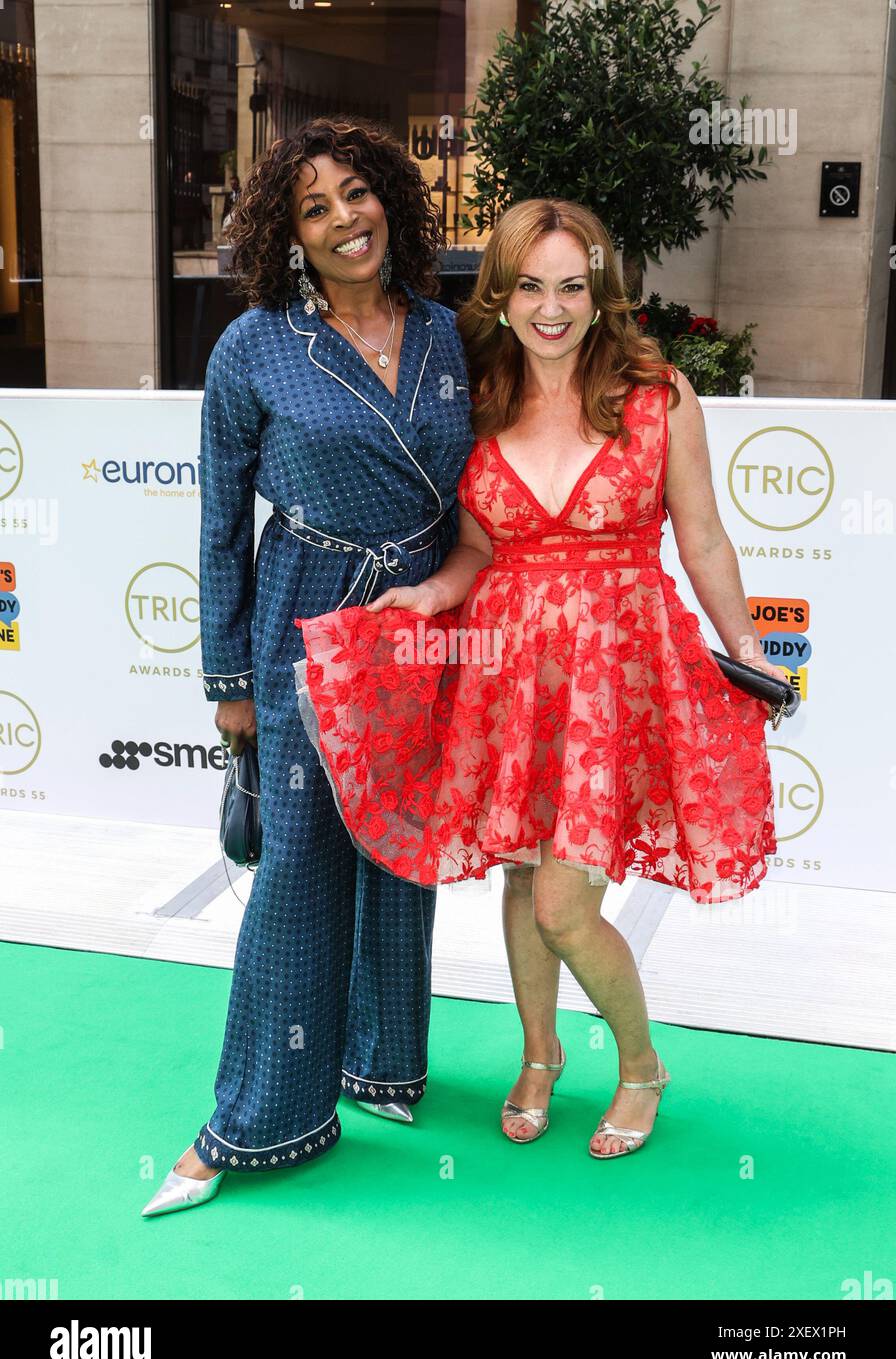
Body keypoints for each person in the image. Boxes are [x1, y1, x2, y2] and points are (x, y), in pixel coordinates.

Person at [294, 197, 783, 1163]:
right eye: (531, 286)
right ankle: (541, 1054)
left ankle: (640, 1065)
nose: (551, 307)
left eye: (572, 286)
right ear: (503, 293)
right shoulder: (477, 400)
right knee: (522, 879)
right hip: (509, 667)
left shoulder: (658, 396)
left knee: (566, 903)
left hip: (615, 670)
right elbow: (479, 543)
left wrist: (749, 643)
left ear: (601, 293)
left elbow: (706, 538)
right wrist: (435, 591)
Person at [141, 117, 476, 1217]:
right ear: (286, 235)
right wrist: (227, 677)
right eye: (314, 207)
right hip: (304, 614)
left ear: (392, 197)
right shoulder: (254, 348)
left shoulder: (445, 333)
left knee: (400, 856)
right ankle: (256, 1116)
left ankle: (379, 1064)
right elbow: (217, 523)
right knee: (296, 874)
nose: (344, 219)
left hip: (420, 620)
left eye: (357, 193)